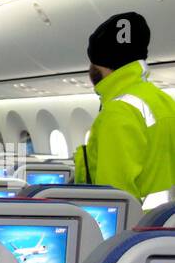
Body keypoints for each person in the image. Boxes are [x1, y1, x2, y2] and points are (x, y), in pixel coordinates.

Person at [75, 11, 175, 202]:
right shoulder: (166, 102)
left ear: (100, 63)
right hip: (166, 225)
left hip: (137, 228)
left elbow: (115, 200)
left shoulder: (117, 112)